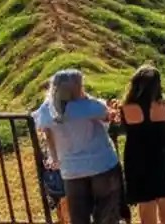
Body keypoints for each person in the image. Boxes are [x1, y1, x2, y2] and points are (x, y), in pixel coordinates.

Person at [33, 70, 124, 224]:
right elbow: (108, 115)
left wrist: (54, 158)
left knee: (78, 217)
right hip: (102, 163)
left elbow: (47, 134)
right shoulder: (88, 106)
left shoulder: (46, 111)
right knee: (106, 213)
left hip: (71, 169)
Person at [118, 65, 165, 224]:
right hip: (161, 155)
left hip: (137, 157)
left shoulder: (125, 108)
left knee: (145, 203)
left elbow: (123, 127)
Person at [33, 80, 70, 224]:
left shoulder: (46, 108)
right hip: (64, 160)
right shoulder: (64, 106)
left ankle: (63, 219)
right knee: (67, 198)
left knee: (63, 199)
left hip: (59, 159)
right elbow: (48, 135)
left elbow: (44, 132)